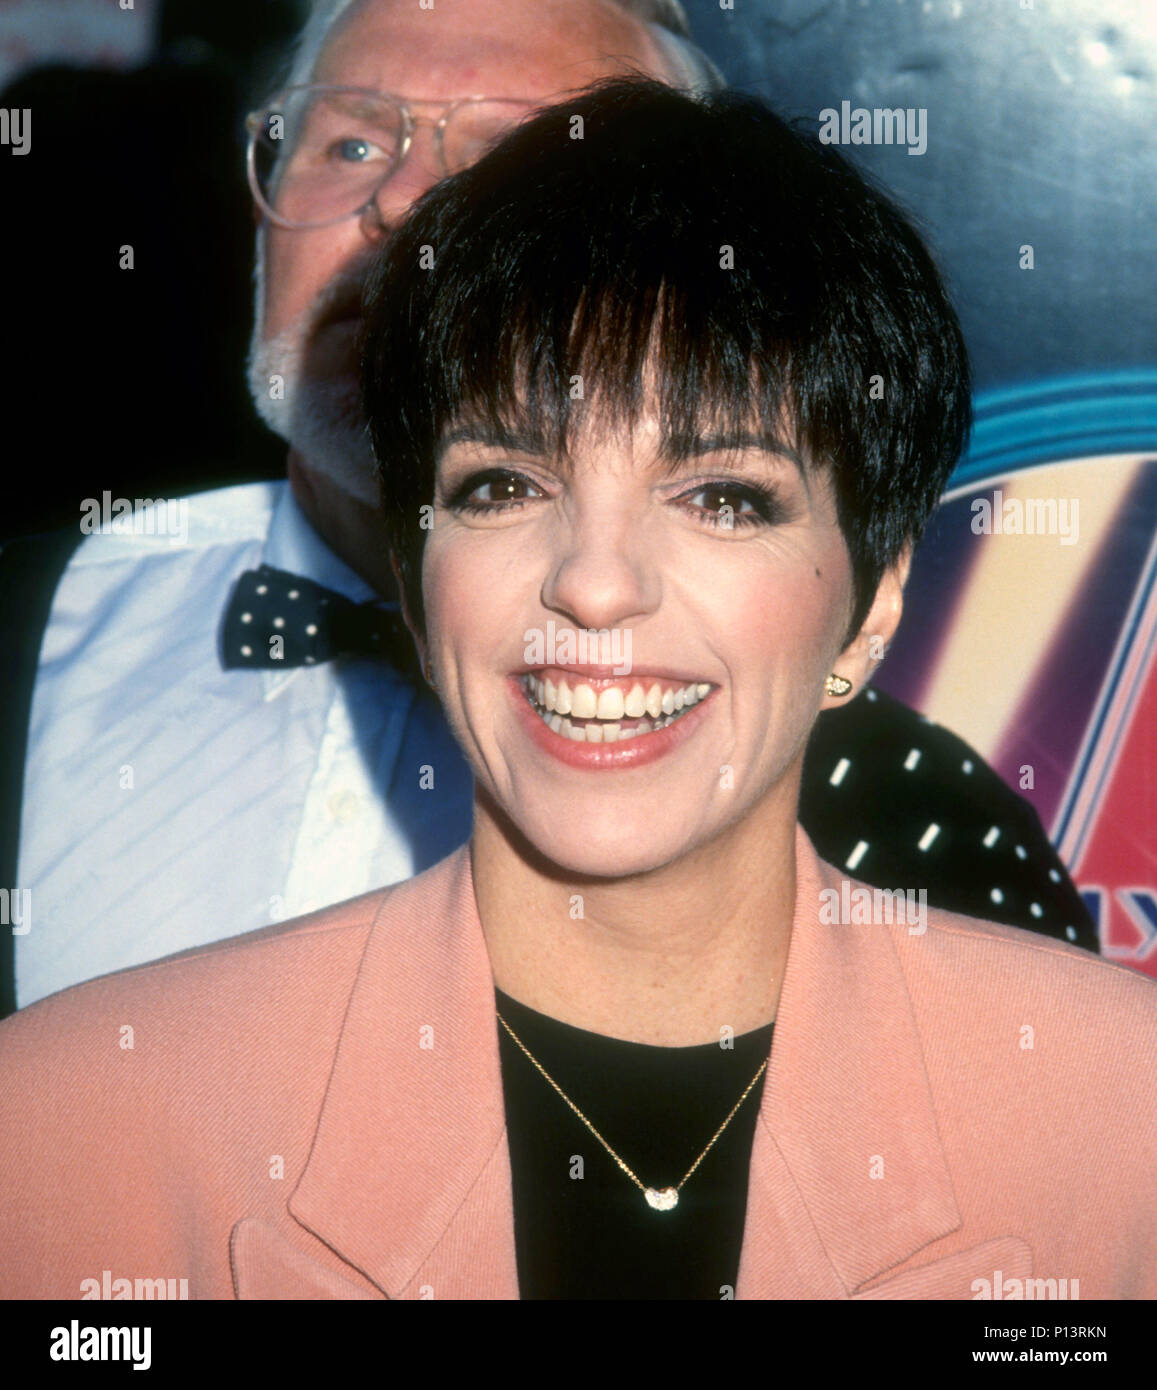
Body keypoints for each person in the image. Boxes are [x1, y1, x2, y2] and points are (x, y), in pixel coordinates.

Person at [2, 80, 1152, 1301]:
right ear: (414, 564)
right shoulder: (73, 1126)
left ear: (870, 605)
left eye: (722, 496)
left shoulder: (1118, 1121)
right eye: (503, 484)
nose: (594, 586)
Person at [3, 0, 1092, 1017]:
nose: (401, 205)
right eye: (350, 143)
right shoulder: (27, 622)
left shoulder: (901, 820)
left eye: (510, 159)